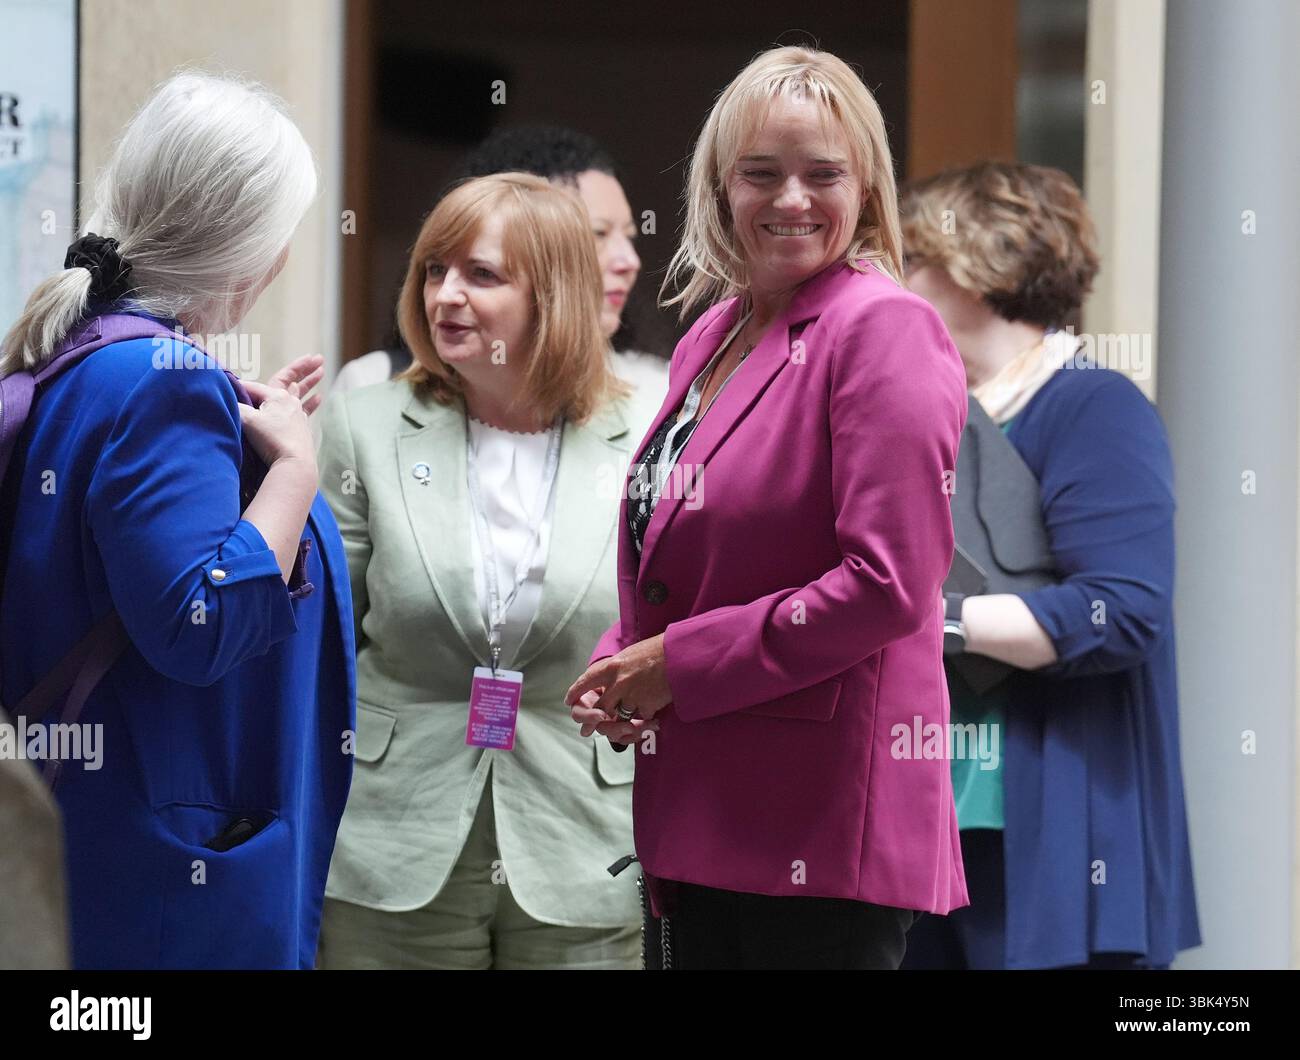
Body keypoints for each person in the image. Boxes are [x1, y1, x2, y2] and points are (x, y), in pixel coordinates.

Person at [565, 45, 969, 970]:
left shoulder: (885, 327)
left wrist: (676, 665)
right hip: (705, 806)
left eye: (823, 174)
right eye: (760, 173)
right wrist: (624, 664)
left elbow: (888, 585)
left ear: (865, 189)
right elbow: (682, 557)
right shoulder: (714, 331)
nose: (792, 199)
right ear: (721, 186)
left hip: (818, 831)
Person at [0, 73, 354, 969]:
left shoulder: (76, 355)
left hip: (92, 830)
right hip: (162, 881)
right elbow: (203, 620)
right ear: (251, 249)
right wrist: (294, 474)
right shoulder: (165, 382)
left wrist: (239, 450)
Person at [315, 173, 660, 969]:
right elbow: (321, 640)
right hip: (394, 835)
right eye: (435, 270)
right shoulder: (364, 426)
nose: (446, 296)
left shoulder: (649, 434)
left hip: (583, 837)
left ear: (556, 295)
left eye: (481, 274)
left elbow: (674, 632)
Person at [899, 160, 1201, 969]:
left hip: (1049, 825)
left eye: (914, 259)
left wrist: (931, 623)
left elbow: (1123, 611)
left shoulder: (1093, 404)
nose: (895, 281)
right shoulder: (923, 416)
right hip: (926, 825)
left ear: (979, 264)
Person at [333, 126, 667, 403]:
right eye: (597, 234)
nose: (630, 262)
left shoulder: (655, 393)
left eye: (628, 236)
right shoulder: (373, 389)